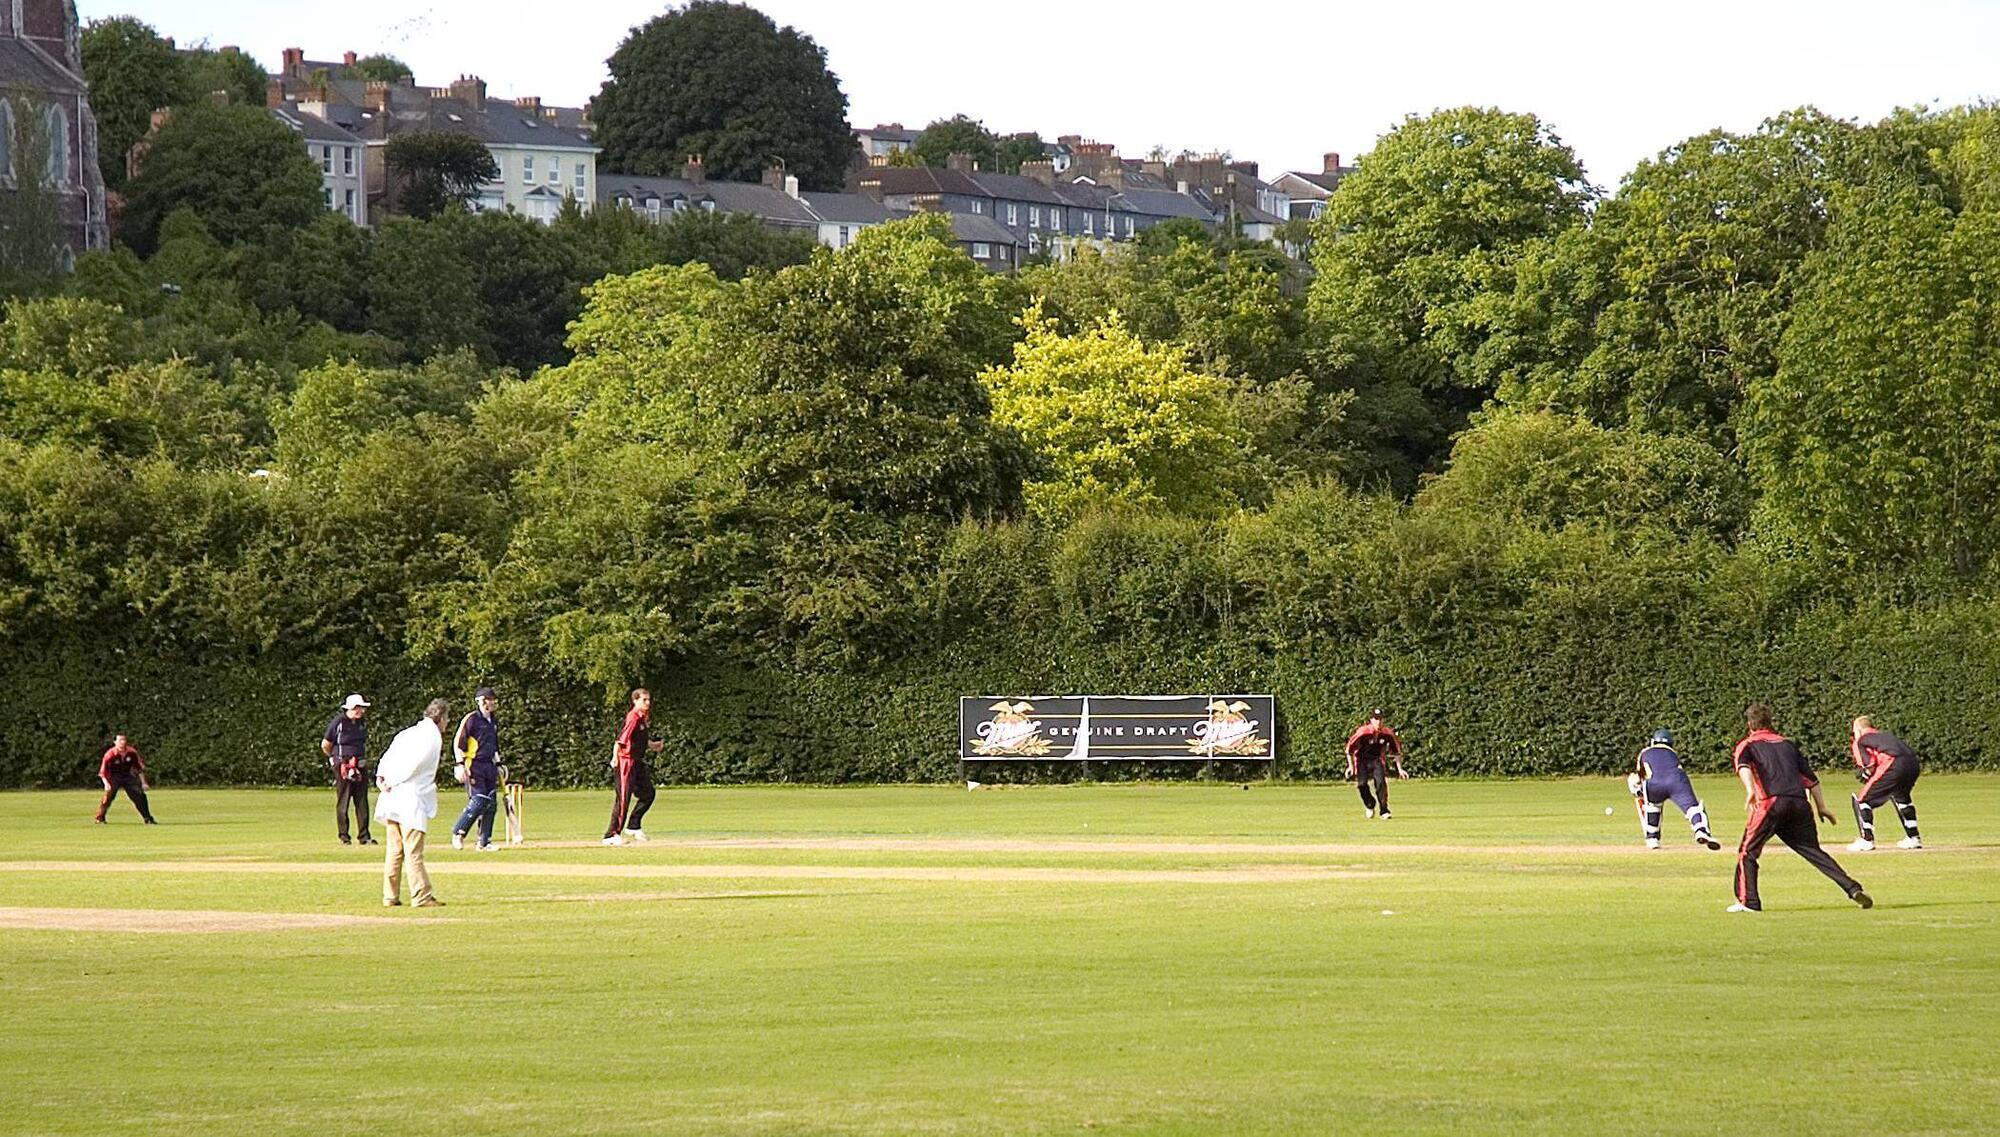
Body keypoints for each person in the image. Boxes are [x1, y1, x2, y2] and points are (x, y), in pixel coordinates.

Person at [1728, 703, 1871, 913]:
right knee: (1813, 851)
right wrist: (1822, 807)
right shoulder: (1787, 744)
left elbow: (1744, 767)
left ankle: (1749, 901)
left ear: (1749, 724)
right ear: (1771, 722)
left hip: (1772, 803)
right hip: (1799, 804)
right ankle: (1852, 888)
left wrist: (1750, 790)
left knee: (1747, 851)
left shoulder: (1747, 745)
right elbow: (1811, 780)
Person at [375, 698, 449, 908]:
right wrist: (391, 780)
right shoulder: (431, 737)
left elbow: (387, 759)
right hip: (410, 798)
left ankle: (390, 896)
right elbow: (414, 765)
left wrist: (383, 779)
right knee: (412, 851)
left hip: (392, 796)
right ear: (441, 718)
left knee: (395, 850)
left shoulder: (407, 733)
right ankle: (421, 896)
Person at [1627, 729, 1719, 850]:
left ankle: (1652, 838)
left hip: (1654, 784)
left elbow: (1640, 776)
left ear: (1653, 741)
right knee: (1693, 808)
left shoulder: (1644, 752)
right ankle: (1701, 830)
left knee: (1653, 806)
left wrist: (1638, 791)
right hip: (1677, 781)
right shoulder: (1672, 753)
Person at [1847, 716, 1923, 852]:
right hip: (1913, 764)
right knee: (1901, 796)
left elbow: (1869, 765)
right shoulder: (1885, 735)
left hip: (1893, 764)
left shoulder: (1860, 741)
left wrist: (1865, 774)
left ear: (1858, 729)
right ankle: (1913, 838)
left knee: (1863, 800)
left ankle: (1867, 840)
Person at [604, 687, 663, 846]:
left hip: (637, 762)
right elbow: (620, 740)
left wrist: (653, 745)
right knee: (623, 799)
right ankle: (611, 834)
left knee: (648, 793)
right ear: (635, 701)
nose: (648, 702)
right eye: (644, 700)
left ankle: (633, 825)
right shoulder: (633, 717)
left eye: (648, 699)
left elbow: (639, 740)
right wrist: (614, 758)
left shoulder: (643, 717)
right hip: (626, 762)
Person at [450, 687, 502, 851]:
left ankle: (484, 841)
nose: (493, 702)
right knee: (478, 800)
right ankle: (458, 833)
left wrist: (499, 764)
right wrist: (459, 765)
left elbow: (493, 746)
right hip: (473, 764)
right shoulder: (472, 719)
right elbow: (458, 743)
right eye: (490, 699)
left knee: (491, 803)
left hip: (489, 765)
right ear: (482, 701)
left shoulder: (492, 720)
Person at [322, 694, 375, 846]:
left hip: (359, 765)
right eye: (358, 708)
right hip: (343, 766)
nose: (361, 711)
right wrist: (336, 760)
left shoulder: (362, 723)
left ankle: (364, 836)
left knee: (361, 800)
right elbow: (326, 744)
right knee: (343, 800)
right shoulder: (338, 722)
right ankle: (344, 836)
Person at [1344, 708, 1407, 820]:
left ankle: (1384, 810)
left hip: (1377, 760)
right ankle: (1370, 804)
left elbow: (1396, 751)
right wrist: (1350, 766)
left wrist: (1400, 769)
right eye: (1376, 719)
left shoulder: (1387, 733)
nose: (1378, 722)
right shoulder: (1363, 732)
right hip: (1361, 760)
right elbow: (1349, 749)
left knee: (1380, 783)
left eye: (1380, 719)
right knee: (1361, 784)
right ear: (1371, 720)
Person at [94, 734, 157, 824]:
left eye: (124, 740)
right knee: (109, 797)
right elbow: (103, 772)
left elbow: (139, 768)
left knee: (139, 795)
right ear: (115, 742)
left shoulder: (132, 752)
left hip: (128, 776)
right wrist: (106, 784)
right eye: (120, 740)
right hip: (114, 777)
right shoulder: (110, 754)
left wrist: (143, 782)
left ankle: (147, 818)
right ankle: (100, 818)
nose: (122, 742)